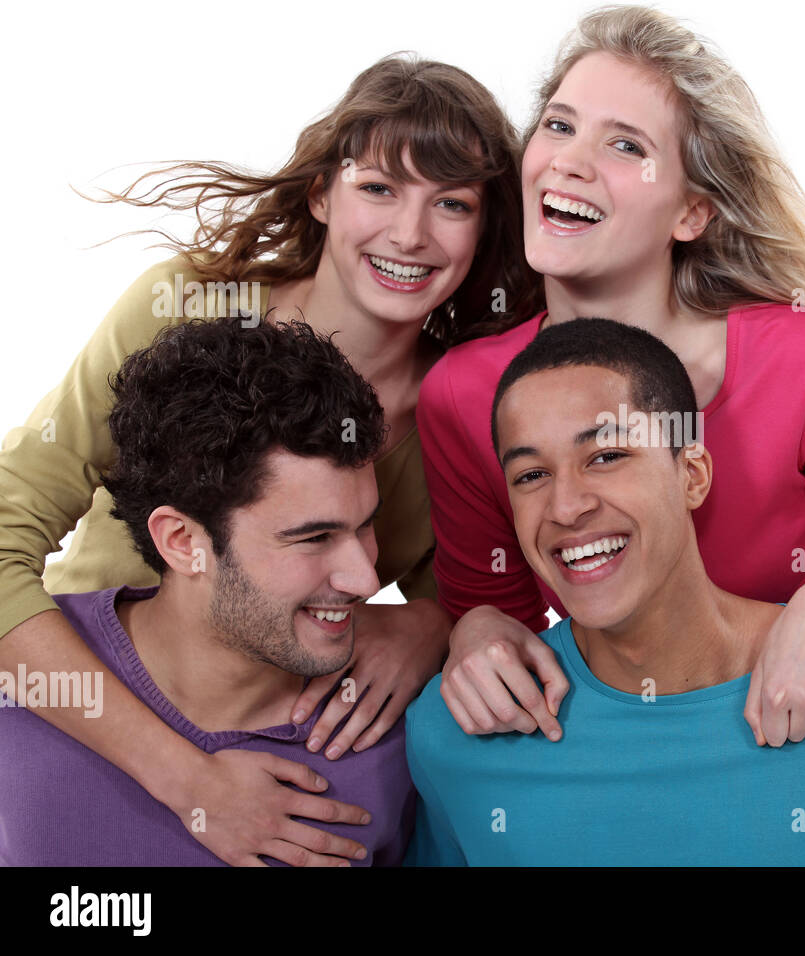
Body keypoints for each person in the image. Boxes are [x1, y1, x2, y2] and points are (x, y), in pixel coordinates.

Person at [0, 54, 541, 865]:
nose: (410, 234)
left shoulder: (466, 409)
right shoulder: (181, 306)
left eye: (452, 204)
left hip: (287, 729)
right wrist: (188, 781)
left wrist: (431, 622)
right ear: (322, 193)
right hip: (81, 717)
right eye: (379, 188)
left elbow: (490, 602)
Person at [420, 5, 805, 750]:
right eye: (559, 125)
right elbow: (500, 612)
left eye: (625, 145)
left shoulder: (803, 359)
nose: (569, 161)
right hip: (633, 743)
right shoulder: (462, 392)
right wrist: (475, 630)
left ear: (693, 211)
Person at [406, 319, 805, 866]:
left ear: (691, 475)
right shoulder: (455, 729)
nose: (566, 507)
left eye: (608, 456)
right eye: (531, 475)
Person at [0, 317, 415, 865]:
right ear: (181, 541)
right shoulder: (20, 695)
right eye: (314, 538)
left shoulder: (400, 739)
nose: (365, 580)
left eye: (364, 526)